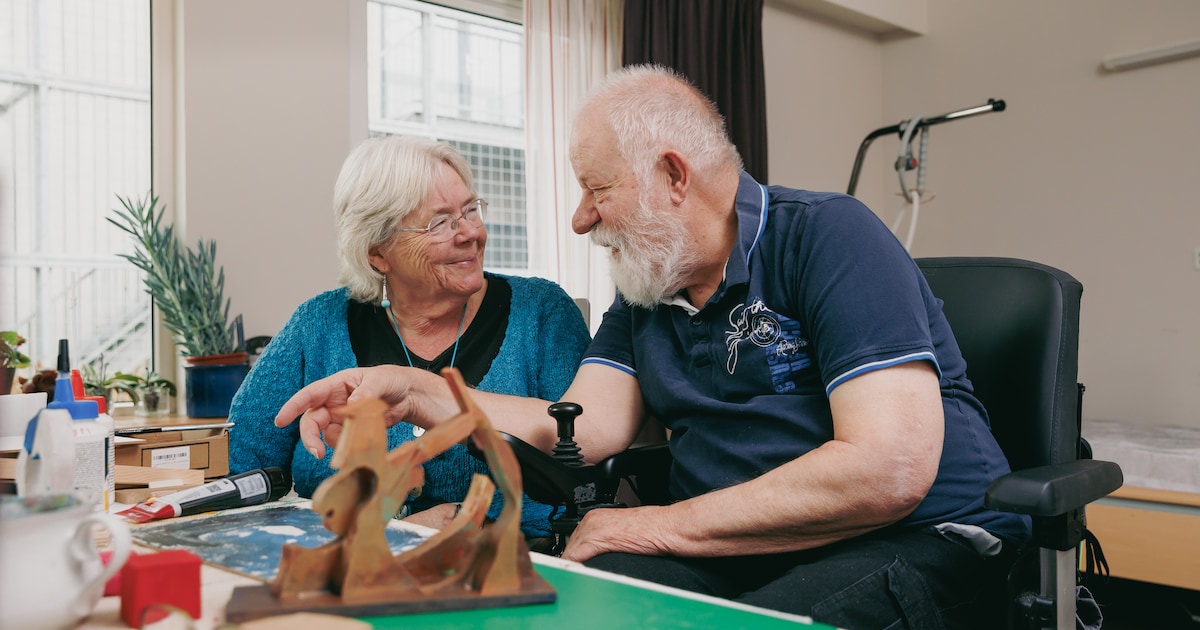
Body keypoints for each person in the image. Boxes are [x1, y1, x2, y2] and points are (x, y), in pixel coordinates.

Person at [274, 66, 1029, 629]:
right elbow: (585, 425)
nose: (579, 219)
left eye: (596, 190)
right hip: (741, 543)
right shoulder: (647, 290)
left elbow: (888, 469)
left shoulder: (829, 237)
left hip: (913, 537)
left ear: (673, 176)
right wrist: (419, 392)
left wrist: (655, 524)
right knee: (578, 608)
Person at [227, 135, 592, 542]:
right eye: (440, 222)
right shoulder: (318, 324)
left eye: (470, 210)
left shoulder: (541, 314)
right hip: (347, 571)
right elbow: (240, 474)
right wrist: (386, 532)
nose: (470, 232)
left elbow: (584, 478)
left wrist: (472, 518)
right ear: (378, 252)